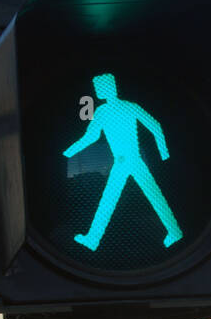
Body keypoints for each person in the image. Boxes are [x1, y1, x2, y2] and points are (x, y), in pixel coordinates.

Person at [62, 73, 183, 250]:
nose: (98, 91)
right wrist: (68, 152)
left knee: (146, 197)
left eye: (100, 87)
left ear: (108, 88)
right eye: (97, 88)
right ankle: (93, 239)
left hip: (131, 160)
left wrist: (164, 153)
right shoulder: (110, 110)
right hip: (124, 161)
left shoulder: (118, 109)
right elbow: (91, 136)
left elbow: (155, 126)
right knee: (117, 198)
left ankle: (174, 231)